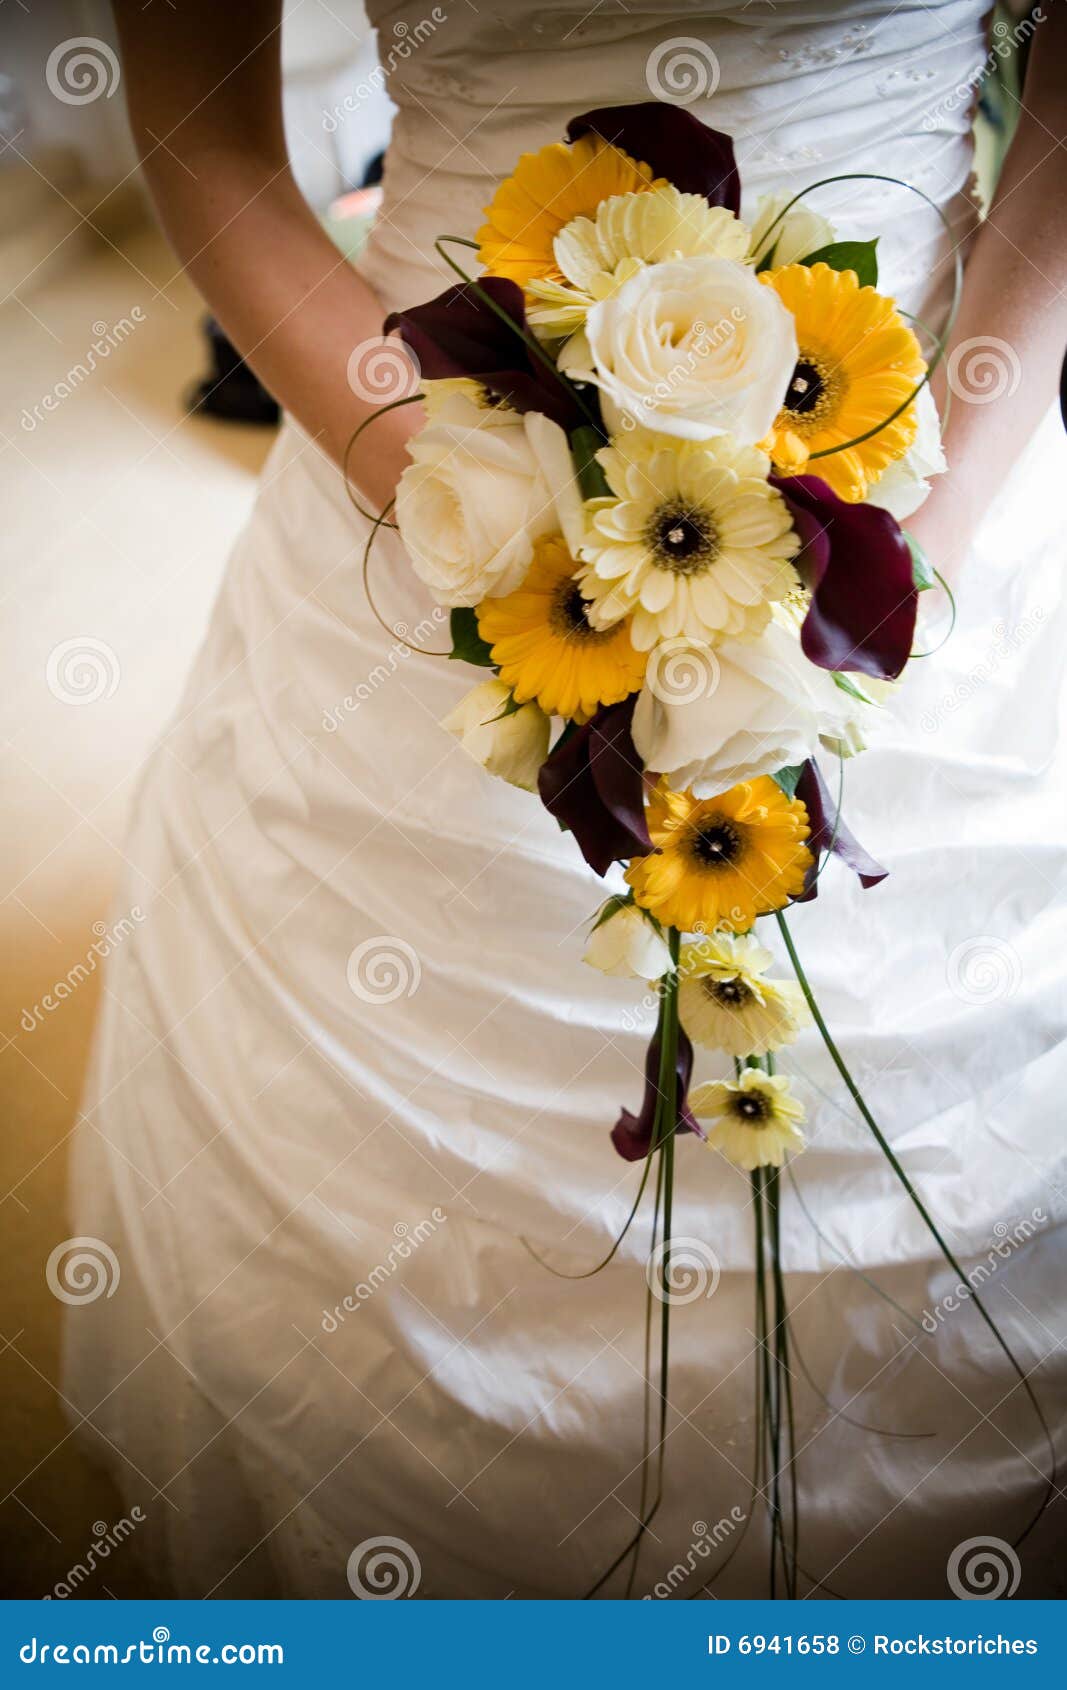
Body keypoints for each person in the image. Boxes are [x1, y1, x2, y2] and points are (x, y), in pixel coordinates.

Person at [65, 0, 1067, 1598]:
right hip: (425, 478)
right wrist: (499, 538)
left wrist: (897, 570)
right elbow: (212, 143)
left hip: (934, 465)